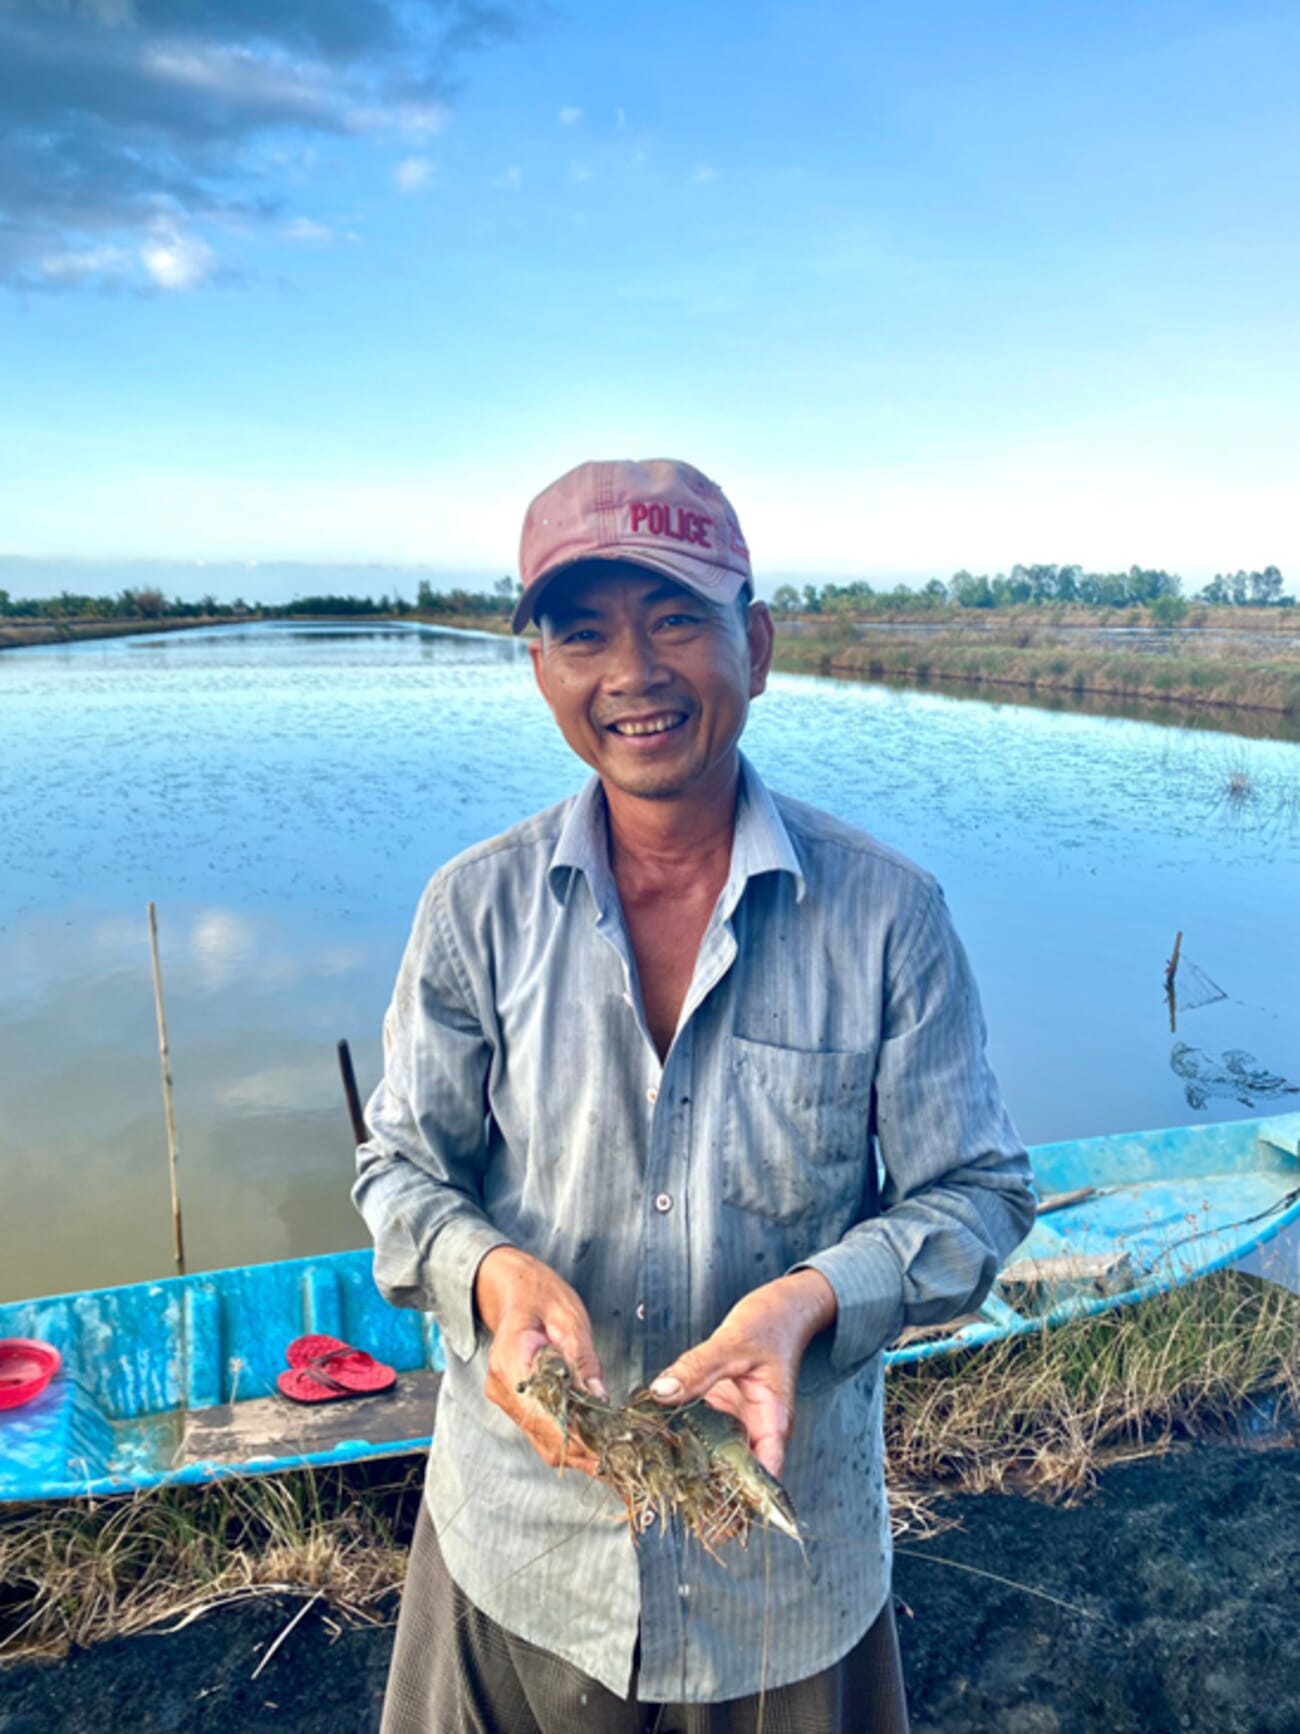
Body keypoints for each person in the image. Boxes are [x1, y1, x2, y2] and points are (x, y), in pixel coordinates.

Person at [354, 457, 1036, 1734]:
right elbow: (398, 1171)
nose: (633, 672)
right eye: (581, 631)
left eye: (675, 617)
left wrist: (811, 1302)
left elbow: (980, 1195)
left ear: (756, 643)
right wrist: (494, 1280)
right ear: (543, 669)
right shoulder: (473, 911)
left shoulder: (887, 916)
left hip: (776, 1578)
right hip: (522, 1558)